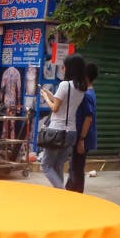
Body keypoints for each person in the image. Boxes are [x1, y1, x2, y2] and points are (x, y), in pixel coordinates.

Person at [38, 53, 88, 189]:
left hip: (57, 130)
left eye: (64, 66)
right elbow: (65, 104)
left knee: (46, 165)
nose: (63, 69)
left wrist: (45, 97)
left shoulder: (65, 85)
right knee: (58, 164)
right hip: (71, 132)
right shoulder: (81, 88)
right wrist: (51, 95)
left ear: (70, 68)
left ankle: (62, 192)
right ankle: (59, 196)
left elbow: (55, 108)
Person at [67, 62, 99, 193]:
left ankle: (77, 196)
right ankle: (69, 191)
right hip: (81, 136)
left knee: (77, 168)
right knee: (74, 166)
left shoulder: (86, 95)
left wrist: (81, 140)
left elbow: (88, 118)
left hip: (83, 137)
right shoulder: (88, 92)